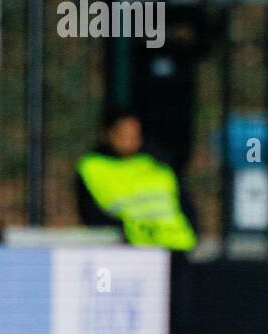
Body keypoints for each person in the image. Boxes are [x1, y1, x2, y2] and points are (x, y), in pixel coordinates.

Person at [130, 0, 213, 173]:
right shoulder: (136, 6)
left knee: (175, 163)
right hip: (144, 100)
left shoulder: (185, 7)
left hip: (178, 101)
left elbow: (203, 44)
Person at [76, 107, 198, 250]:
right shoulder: (92, 166)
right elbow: (91, 214)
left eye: (134, 135)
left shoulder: (156, 164)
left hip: (177, 246)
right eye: (123, 135)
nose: (129, 141)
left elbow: (183, 204)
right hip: (131, 250)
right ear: (107, 134)